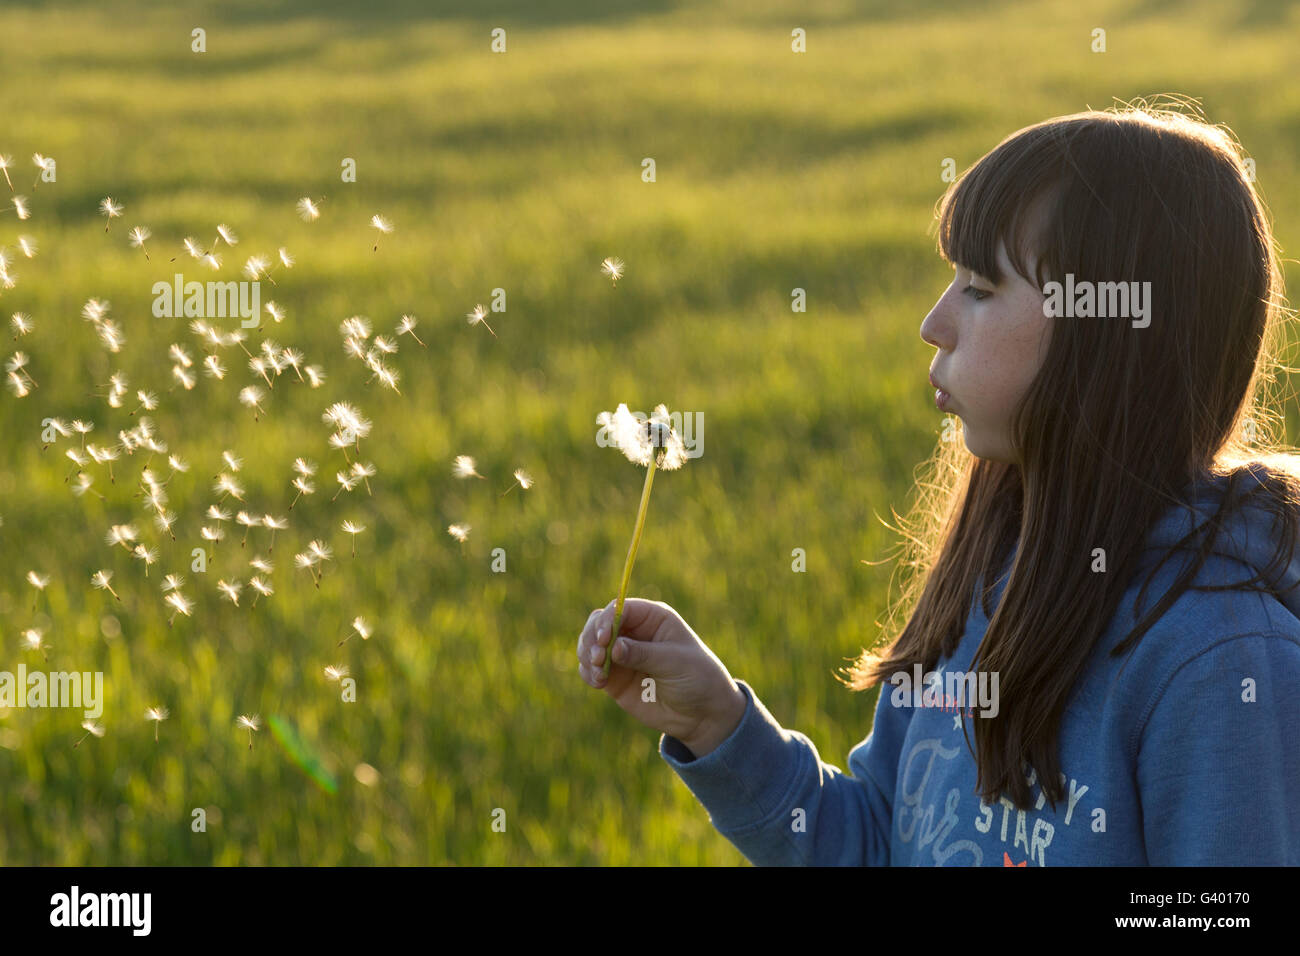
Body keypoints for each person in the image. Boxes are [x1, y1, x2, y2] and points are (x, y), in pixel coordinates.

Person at [575, 102, 1300, 865]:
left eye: (980, 289)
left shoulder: (1222, 665)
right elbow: (879, 843)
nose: (934, 321)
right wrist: (716, 724)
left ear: (1111, 334)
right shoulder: (990, 575)